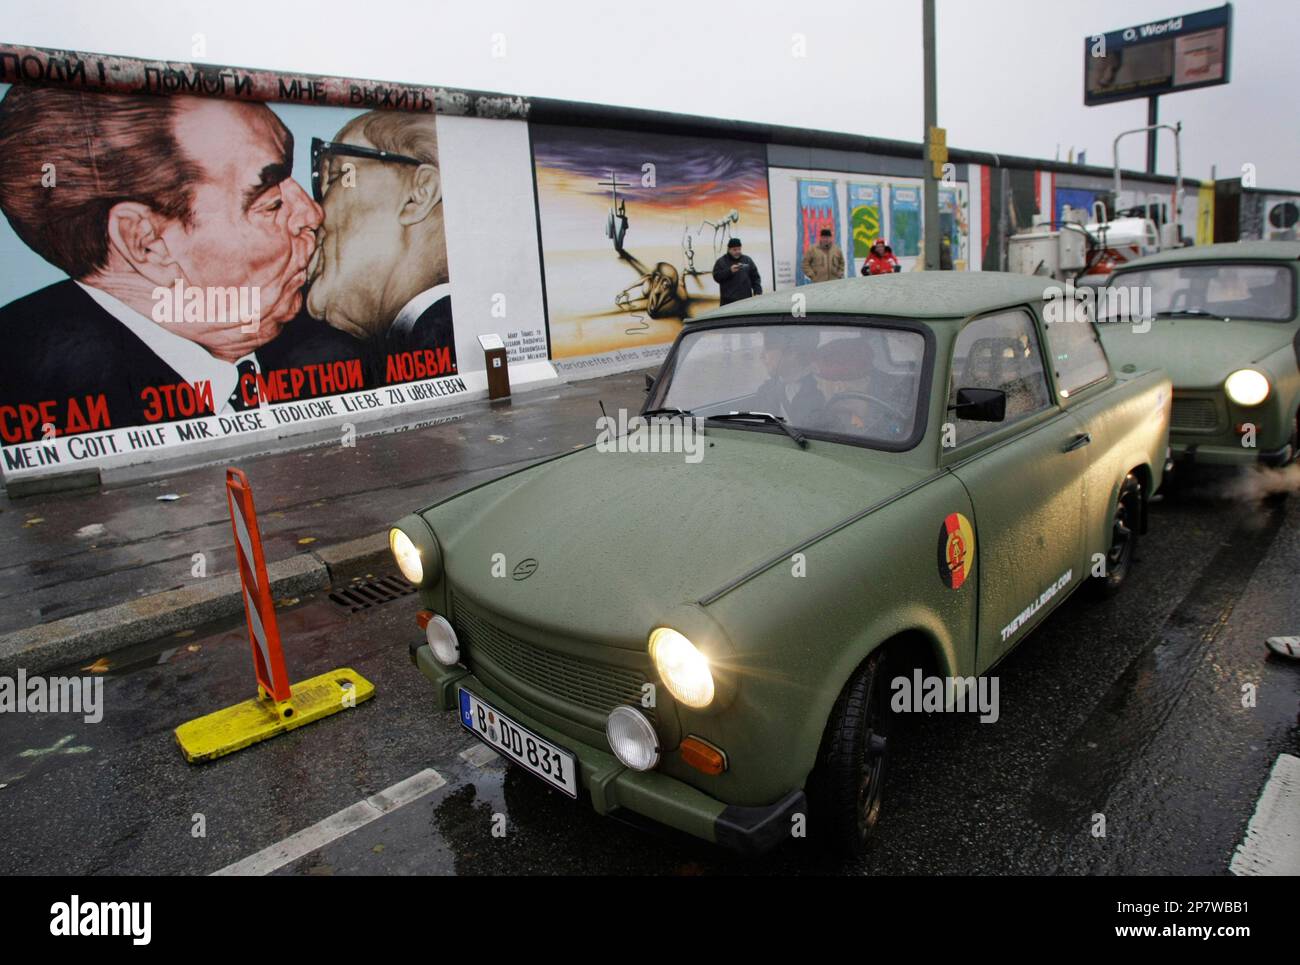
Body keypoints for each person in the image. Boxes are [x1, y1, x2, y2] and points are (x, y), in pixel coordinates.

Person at [0, 88, 322, 435]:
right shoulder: (31, 384)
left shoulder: (328, 344)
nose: (311, 214)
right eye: (272, 203)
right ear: (147, 242)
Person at [293, 111, 455, 377]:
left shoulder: (437, 337)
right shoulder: (420, 339)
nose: (314, 212)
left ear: (419, 195)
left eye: (335, 177)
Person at [752, 328, 824, 425]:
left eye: (768, 349)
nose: (761, 356)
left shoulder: (823, 392)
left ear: (791, 352)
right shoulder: (765, 391)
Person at [712, 238, 762, 305]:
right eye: (735, 249)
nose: (738, 251)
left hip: (746, 301)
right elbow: (716, 277)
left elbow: (755, 277)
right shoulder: (721, 262)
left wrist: (757, 292)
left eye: (739, 249)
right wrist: (729, 271)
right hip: (728, 302)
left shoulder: (747, 260)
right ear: (729, 249)